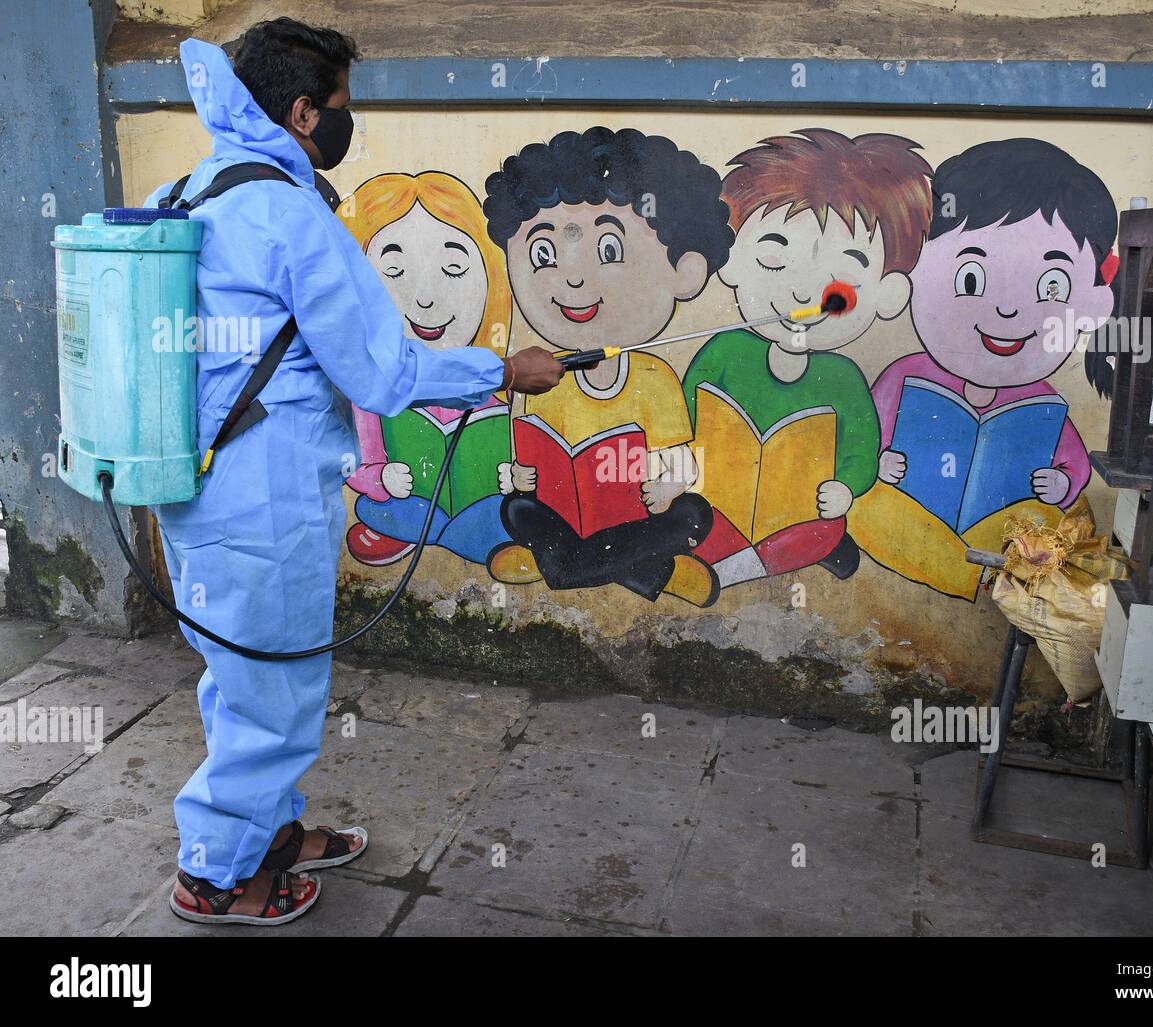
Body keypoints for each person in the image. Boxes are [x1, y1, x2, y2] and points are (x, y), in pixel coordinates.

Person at [149, 19, 562, 925]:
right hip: (265, 501)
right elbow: (381, 371)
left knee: (238, 679)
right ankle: (219, 875)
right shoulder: (289, 216)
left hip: (194, 495)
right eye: (340, 107)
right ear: (302, 113)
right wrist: (502, 369)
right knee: (278, 689)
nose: (347, 122)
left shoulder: (186, 190)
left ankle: (269, 832)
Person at [849, 137, 1117, 599]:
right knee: (865, 508)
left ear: (1093, 302)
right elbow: (867, 432)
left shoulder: (1045, 401)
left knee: (1048, 525)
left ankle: (966, 570)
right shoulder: (904, 377)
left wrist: (1062, 484)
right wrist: (878, 461)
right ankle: (977, 577)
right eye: (971, 278)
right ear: (915, 271)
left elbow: (1072, 461)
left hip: (997, 518)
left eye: (1051, 285)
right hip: (916, 512)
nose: (1009, 310)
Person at [483, 126, 732, 606]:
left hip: (633, 514)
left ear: (685, 272)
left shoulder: (654, 379)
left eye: (609, 250)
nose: (574, 277)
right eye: (543, 253)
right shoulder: (542, 373)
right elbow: (528, 458)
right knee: (517, 508)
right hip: (567, 513)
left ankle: (556, 567)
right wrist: (518, 476)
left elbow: (679, 460)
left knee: (693, 514)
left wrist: (669, 486)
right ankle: (655, 574)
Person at [684, 130, 932, 590]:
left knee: (825, 530)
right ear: (731, 260)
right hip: (719, 500)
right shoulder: (724, 351)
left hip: (799, 513)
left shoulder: (841, 378)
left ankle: (736, 571)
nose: (802, 294)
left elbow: (862, 445)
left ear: (888, 293)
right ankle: (726, 560)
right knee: (688, 516)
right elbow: (685, 416)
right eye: (774, 259)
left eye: (842, 279)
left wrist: (846, 488)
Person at [341, 171, 515, 568]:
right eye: (393, 272)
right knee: (390, 508)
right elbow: (352, 462)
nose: (423, 299)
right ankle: (457, 537)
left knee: (499, 510)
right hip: (408, 501)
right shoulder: (364, 390)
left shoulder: (492, 391)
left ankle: (449, 533)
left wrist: (510, 475)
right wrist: (381, 479)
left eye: (454, 269)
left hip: (478, 502)